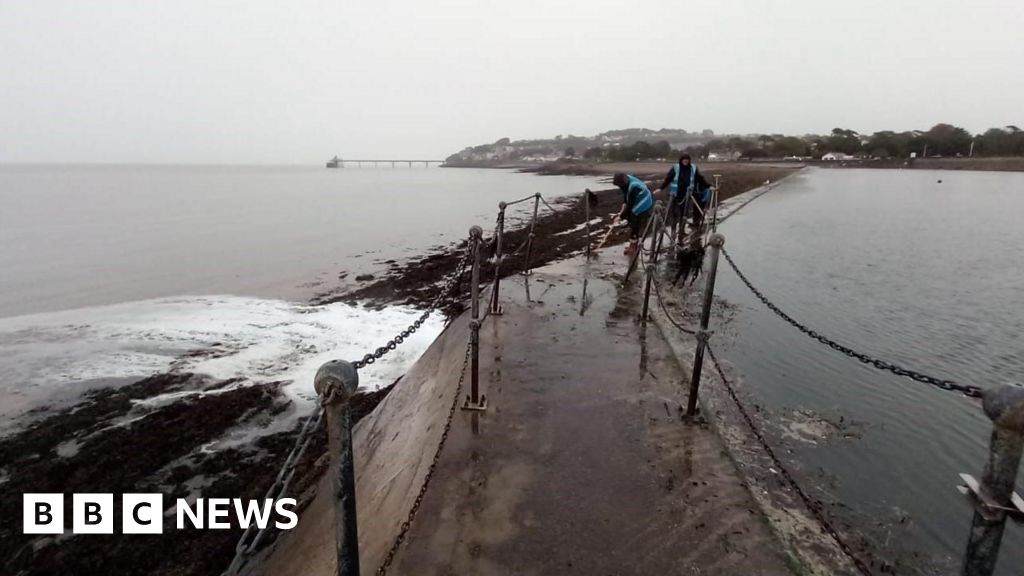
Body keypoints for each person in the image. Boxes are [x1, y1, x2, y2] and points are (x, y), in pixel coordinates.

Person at [654, 154, 711, 238]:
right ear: (681, 160)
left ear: (689, 160)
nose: (685, 161)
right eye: (684, 159)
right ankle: (673, 231)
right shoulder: (675, 168)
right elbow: (668, 178)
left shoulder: (693, 168)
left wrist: (708, 186)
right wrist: (661, 188)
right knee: (674, 214)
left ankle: (681, 231)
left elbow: (700, 178)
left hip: (687, 195)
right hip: (675, 195)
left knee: (684, 214)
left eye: (687, 159)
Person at [611, 172, 654, 256]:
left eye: (620, 185)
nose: (619, 186)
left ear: (624, 181)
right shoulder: (626, 180)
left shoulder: (634, 186)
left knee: (635, 222)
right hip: (637, 198)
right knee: (631, 220)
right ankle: (633, 244)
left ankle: (634, 248)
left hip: (644, 200)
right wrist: (624, 204)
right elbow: (626, 194)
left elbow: (630, 204)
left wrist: (621, 217)